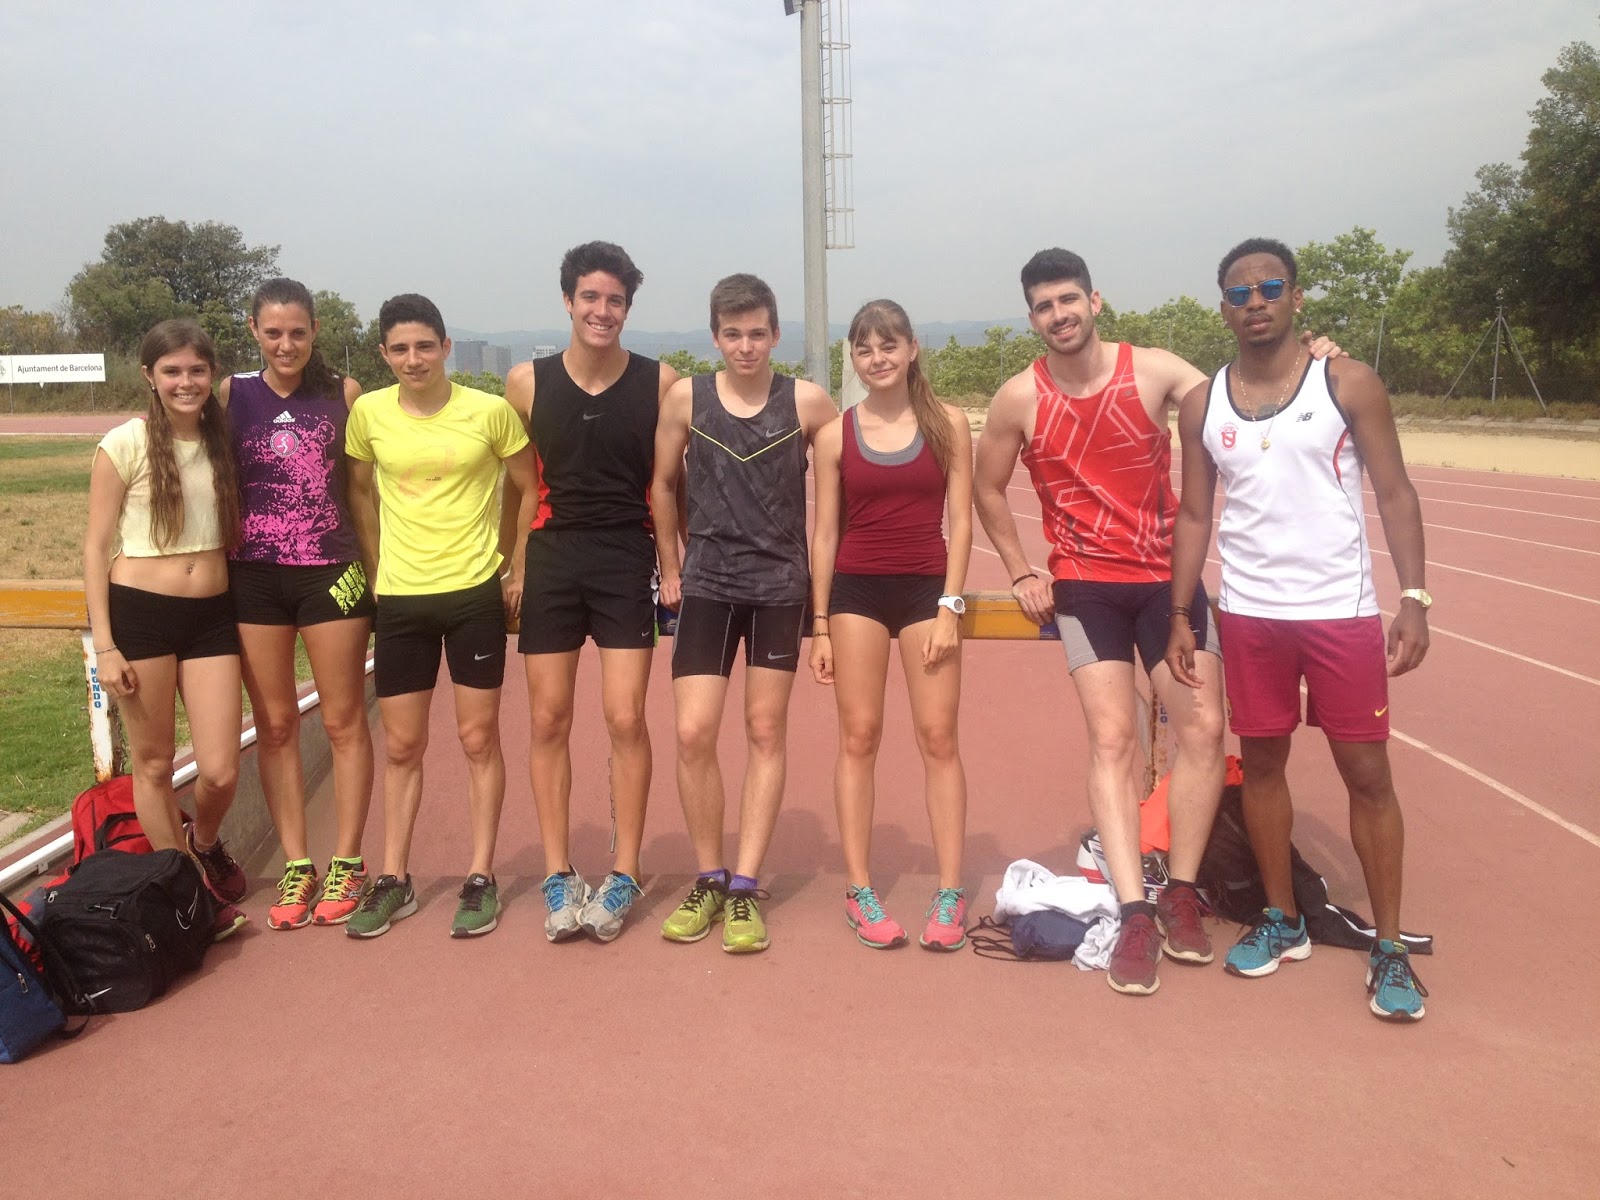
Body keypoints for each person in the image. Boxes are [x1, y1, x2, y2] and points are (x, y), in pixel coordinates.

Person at [974, 247, 1341, 996]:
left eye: (1068, 300)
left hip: (1166, 586)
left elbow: (1249, 391)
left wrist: (1315, 364)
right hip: (1085, 591)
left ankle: (1180, 890)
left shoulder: (1158, 371)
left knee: (1205, 729)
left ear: (1095, 300)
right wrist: (1018, 566)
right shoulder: (1020, 398)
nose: (1059, 316)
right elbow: (987, 488)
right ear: (1032, 318)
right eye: (1044, 306)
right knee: (1112, 736)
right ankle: (1134, 908)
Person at [1165, 237, 1431, 1021]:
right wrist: (1180, 613)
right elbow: (1193, 513)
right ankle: (1281, 919)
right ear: (1223, 307)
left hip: (1339, 614)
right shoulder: (1202, 403)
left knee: (1367, 774)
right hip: (1250, 615)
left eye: (1270, 287)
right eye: (1240, 293)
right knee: (1265, 766)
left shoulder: (1346, 381)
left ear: (1296, 297)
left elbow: (1396, 493)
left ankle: (1387, 947)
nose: (1256, 303)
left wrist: (1413, 597)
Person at [649, 274, 837, 953]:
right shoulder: (687, 399)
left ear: (776, 334)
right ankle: (708, 873)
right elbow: (662, 485)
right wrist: (671, 567)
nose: (746, 345)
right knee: (694, 732)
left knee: (764, 731)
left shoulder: (809, 403)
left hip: (779, 589)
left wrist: (821, 612)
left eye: (758, 332)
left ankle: (745, 885)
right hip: (706, 584)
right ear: (715, 337)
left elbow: (839, 505)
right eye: (733, 334)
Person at [342, 294, 536, 939]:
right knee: (401, 745)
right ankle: (394, 878)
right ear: (383, 355)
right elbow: (361, 496)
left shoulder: (490, 412)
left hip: (474, 593)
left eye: (425, 346)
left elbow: (528, 485)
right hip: (400, 600)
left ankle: (480, 875)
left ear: (447, 347)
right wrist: (374, 573)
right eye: (399, 348)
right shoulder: (368, 412)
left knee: (479, 740)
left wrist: (517, 567)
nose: (413, 358)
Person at [504, 241, 679, 944]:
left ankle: (625, 870)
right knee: (547, 719)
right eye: (590, 298)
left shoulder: (662, 382)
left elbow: (673, 487)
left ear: (627, 309)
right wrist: (514, 566)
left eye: (615, 301)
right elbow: (519, 487)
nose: (601, 311)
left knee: (625, 718)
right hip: (552, 556)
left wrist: (674, 562)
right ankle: (556, 872)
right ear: (569, 301)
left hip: (624, 556)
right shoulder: (525, 383)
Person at [809, 299, 974, 951]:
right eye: (864, 349)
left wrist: (950, 605)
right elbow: (824, 534)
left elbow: (961, 521)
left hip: (925, 593)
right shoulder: (833, 436)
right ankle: (859, 889)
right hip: (856, 592)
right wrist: (819, 624)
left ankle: (951, 889)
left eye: (888, 346)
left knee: (938, 737)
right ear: (853, 356)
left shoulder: (948, 424)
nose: (876, 359)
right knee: (860, 735)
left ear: (911, 350)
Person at [84, 318, 248, 940]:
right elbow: (96, 546)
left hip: (210, 616)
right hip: (140, 615)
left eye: (196, 370)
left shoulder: (221, 437)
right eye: (172, 371)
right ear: (150, 378)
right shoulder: (123, 442)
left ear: (213, 376)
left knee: (221, 769)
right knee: (152, 766)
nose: (185, 382)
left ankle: (202, 843)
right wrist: (105, 644)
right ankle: (188, 898)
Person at [221, 278, 375, 931]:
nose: (287, 345)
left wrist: (374, 572)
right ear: (254, 330)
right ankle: (296, 863)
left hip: (331, 573)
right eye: (274, 332)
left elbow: (363, 490)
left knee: (341, 721)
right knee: (277, 725)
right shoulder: (233, 395)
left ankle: (347, 859)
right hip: (253, 576)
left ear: (315, 332)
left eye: (299, 333)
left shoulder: (343, 394)